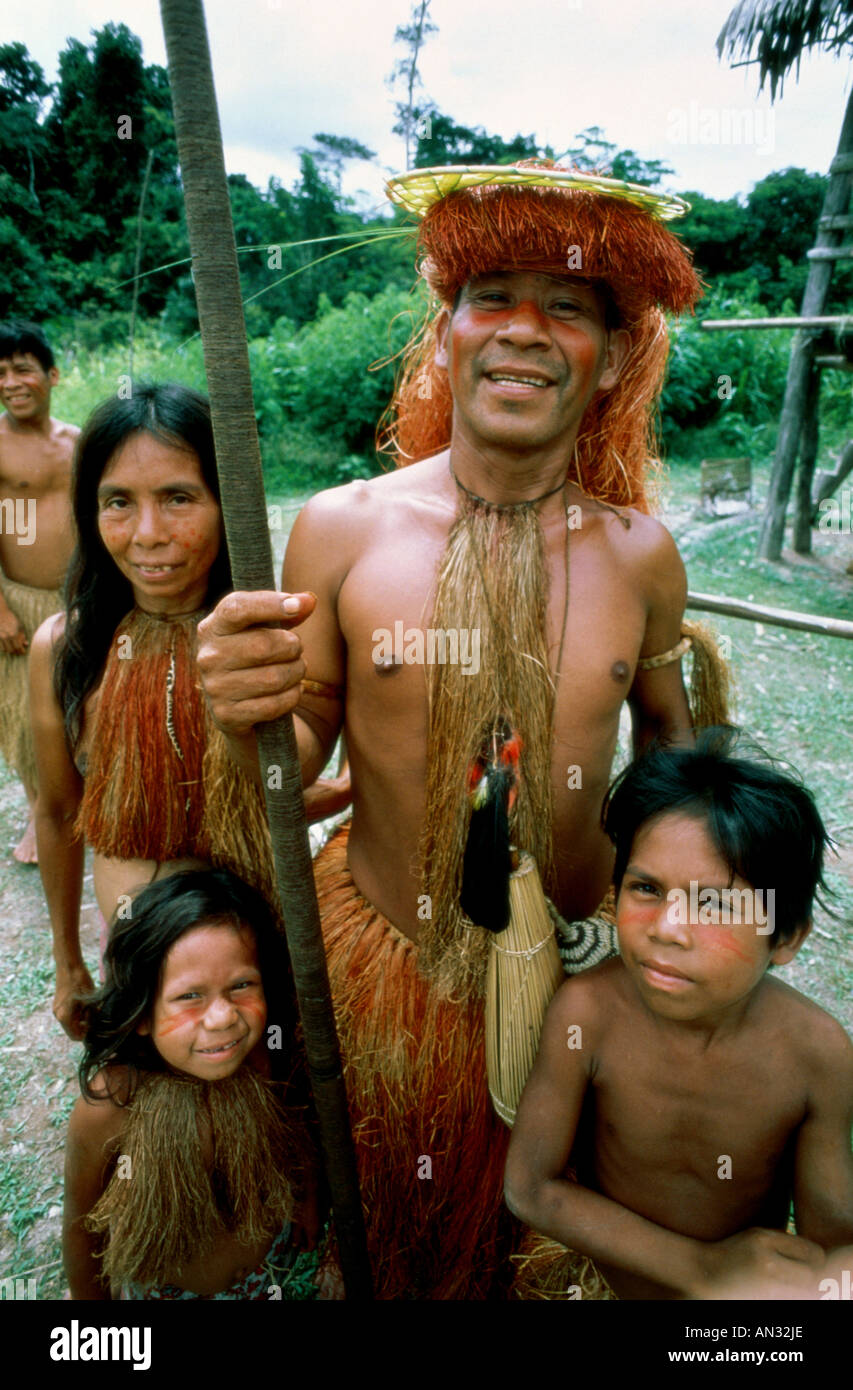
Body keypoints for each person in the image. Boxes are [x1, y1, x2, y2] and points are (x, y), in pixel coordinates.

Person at [197, 163, 723, 1297]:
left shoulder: (639, 556)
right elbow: (303, 748)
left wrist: (691, 910)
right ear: (444, 335)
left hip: (573, 973)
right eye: (491, 297)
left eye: (568, 308)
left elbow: (677, 765)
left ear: (617, 354)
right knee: (389, 1231)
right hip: (389, 960)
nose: (523, 333)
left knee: (537, 1251)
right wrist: (243, 715)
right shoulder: (341, 528)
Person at [29, 382, 349, 1040]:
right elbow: (60, 813)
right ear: (90, 512)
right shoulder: (63, 650)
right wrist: (68, 968)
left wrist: (332, 793)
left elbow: (275, 783)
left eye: (178, 498)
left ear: (226, 503)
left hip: (256, 964)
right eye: (118, 502)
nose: (147, 534)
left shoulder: (263, 642)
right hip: (142, 976)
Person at [504, 729, 853, 1300]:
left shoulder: (817, 1055)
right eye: (646, 888)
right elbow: (530, 1187)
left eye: (714, 903)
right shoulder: (588, 1013)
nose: (667, 929)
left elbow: (833, 1242)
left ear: (785, 937)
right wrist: (701, 1268)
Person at [63, 867, 316, 1299]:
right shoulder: (112, 1105)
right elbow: (82, 1230)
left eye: (241, 986)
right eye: (189, 996)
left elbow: (297, 1128)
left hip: (276, 1274)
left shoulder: (263, 1058)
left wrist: (307, 1200)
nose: (222, 1018)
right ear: (141, 1014)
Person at [0, 319, 78, 863]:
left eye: (22, 369)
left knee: (80, 709)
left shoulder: (80, 442)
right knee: (28, 721)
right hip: (19, 603)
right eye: (0, 373)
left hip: (78, 600)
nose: (10, 382)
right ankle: (40, 811)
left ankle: (85, 804)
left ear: (51, 375)